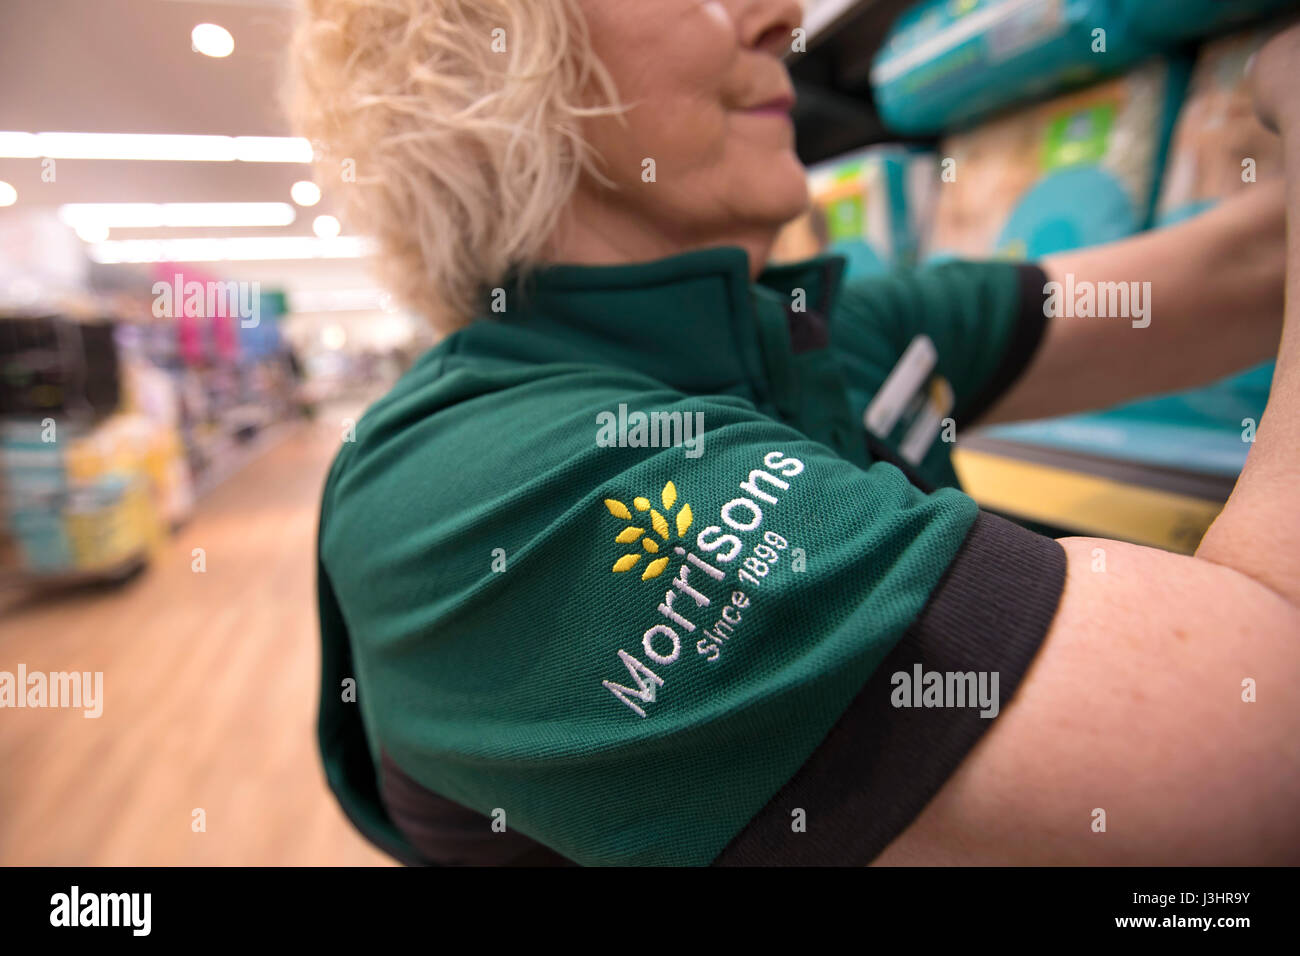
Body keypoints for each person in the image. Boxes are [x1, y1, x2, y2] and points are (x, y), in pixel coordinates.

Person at [289, 0, 1300, 866]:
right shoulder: (483, 480)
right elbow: (1261, 748)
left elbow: (1239, 276)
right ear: (485, 60)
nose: (783, 15)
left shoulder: (813, 329)